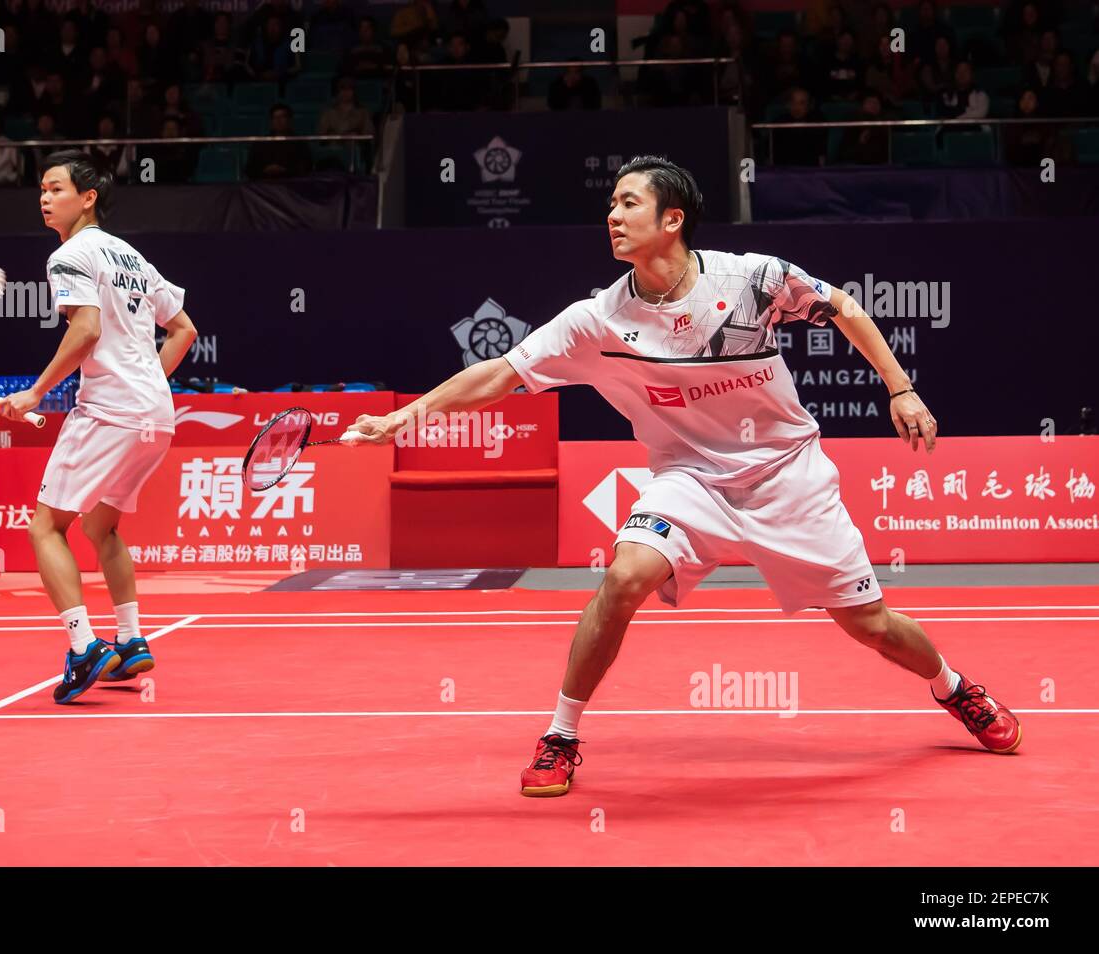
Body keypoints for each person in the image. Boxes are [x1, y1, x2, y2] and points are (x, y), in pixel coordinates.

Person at [344, 156, 1022, 797]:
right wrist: (408, 416)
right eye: (611, 203)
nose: (611, 215)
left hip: (787, 474)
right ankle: (561, 734)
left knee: (868, 623)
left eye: (628, 203)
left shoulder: (752, 280)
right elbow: (500, 372)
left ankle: (951, 686)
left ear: (672, 219)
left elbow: (840, 307)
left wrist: (900, 389)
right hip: (688, 478)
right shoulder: (597, 320)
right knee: (624, 576)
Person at [0, 150, 198, 704]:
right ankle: (131, 642)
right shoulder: (128, 254)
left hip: (110, 410)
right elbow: (183, 330)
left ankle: (84, 648)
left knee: (46, 528)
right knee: (101, 528)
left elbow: (84, 331)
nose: (44, 197)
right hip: (155, 415)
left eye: (56, 189)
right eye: (41, 189)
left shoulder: (70, 254)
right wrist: (146, 385)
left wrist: (35, 392)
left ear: (87, 198)